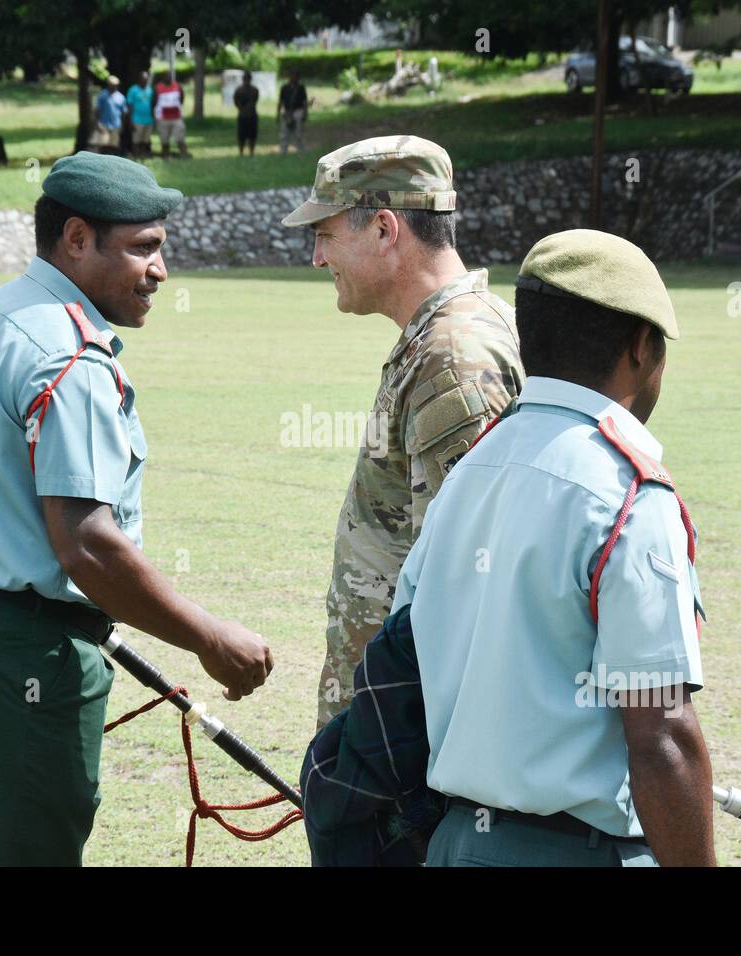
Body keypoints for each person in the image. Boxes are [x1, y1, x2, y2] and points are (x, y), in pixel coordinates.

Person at [0, 152, 273, 865]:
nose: (160, 271)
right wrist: (210, 637)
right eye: (143, 248)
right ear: (78, 239)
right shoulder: (69, 353)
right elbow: (87, 547)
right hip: (21, 653)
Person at [390, 229, 715, 866]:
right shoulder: (628, 495)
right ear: (641, 348)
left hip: (453, 844)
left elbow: (405, 656)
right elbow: (661, 736)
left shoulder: (469, 472)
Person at [280, 135, 525, 728]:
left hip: (407, 730)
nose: (317, 258)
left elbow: (465, 578)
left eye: (326, 234)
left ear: (385, 229)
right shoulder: (442, 337)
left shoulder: (455, 354)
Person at [154, 71, 190, 159]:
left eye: (169, 77)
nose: (168, 78)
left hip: (176, 117)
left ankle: (184, 154)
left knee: (180, 136)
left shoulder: (177, 86)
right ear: (162, 78)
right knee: (164, 138)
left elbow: (182, 97)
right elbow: (154, 102)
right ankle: (166, 155)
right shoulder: (158, 88)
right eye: (166, 77)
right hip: (163, 117)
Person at [93, 75, 126, 155]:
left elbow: (123, 113)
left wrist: (123, 125)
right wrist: (97, 123)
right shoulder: (102, 95)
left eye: (114, 85)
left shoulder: (121, 97)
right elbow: (97, 110)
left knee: (114, 145)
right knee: (103, 145)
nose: (113, 87)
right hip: (104, 124)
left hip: (116, 124)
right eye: (111, 85)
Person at [277, 71, 308, 154]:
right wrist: (278, 114)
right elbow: (281, 102)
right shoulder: (284, 88)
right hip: (287, 112)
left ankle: (301, 151)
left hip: (298, 111)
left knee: (299, 133)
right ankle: (283, 152)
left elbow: (305, 102)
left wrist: (305, 114)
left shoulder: (301, 88)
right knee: (284, 134)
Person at [126, 71, 154, 160]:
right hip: (136, 120)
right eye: (143, 79)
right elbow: (129, 106)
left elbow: (153, 104)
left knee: (145, 141)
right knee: (136, 141)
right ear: (139, 80)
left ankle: (143, 156)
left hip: (149, 120)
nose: (144, 81)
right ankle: (135, 157)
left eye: (146, 79)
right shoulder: (133, 90)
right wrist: (130, 121)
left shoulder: (150, 90)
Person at [233, 70, 260, 157]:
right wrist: (242, 108)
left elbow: (254, 101)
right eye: (245, 78)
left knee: (252, 135)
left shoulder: (254, 90)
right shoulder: (239, 90)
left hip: (251, 115)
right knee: (242, 136)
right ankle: (241, 152)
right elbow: (236, 101)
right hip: (243, 115)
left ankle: (251, 152)